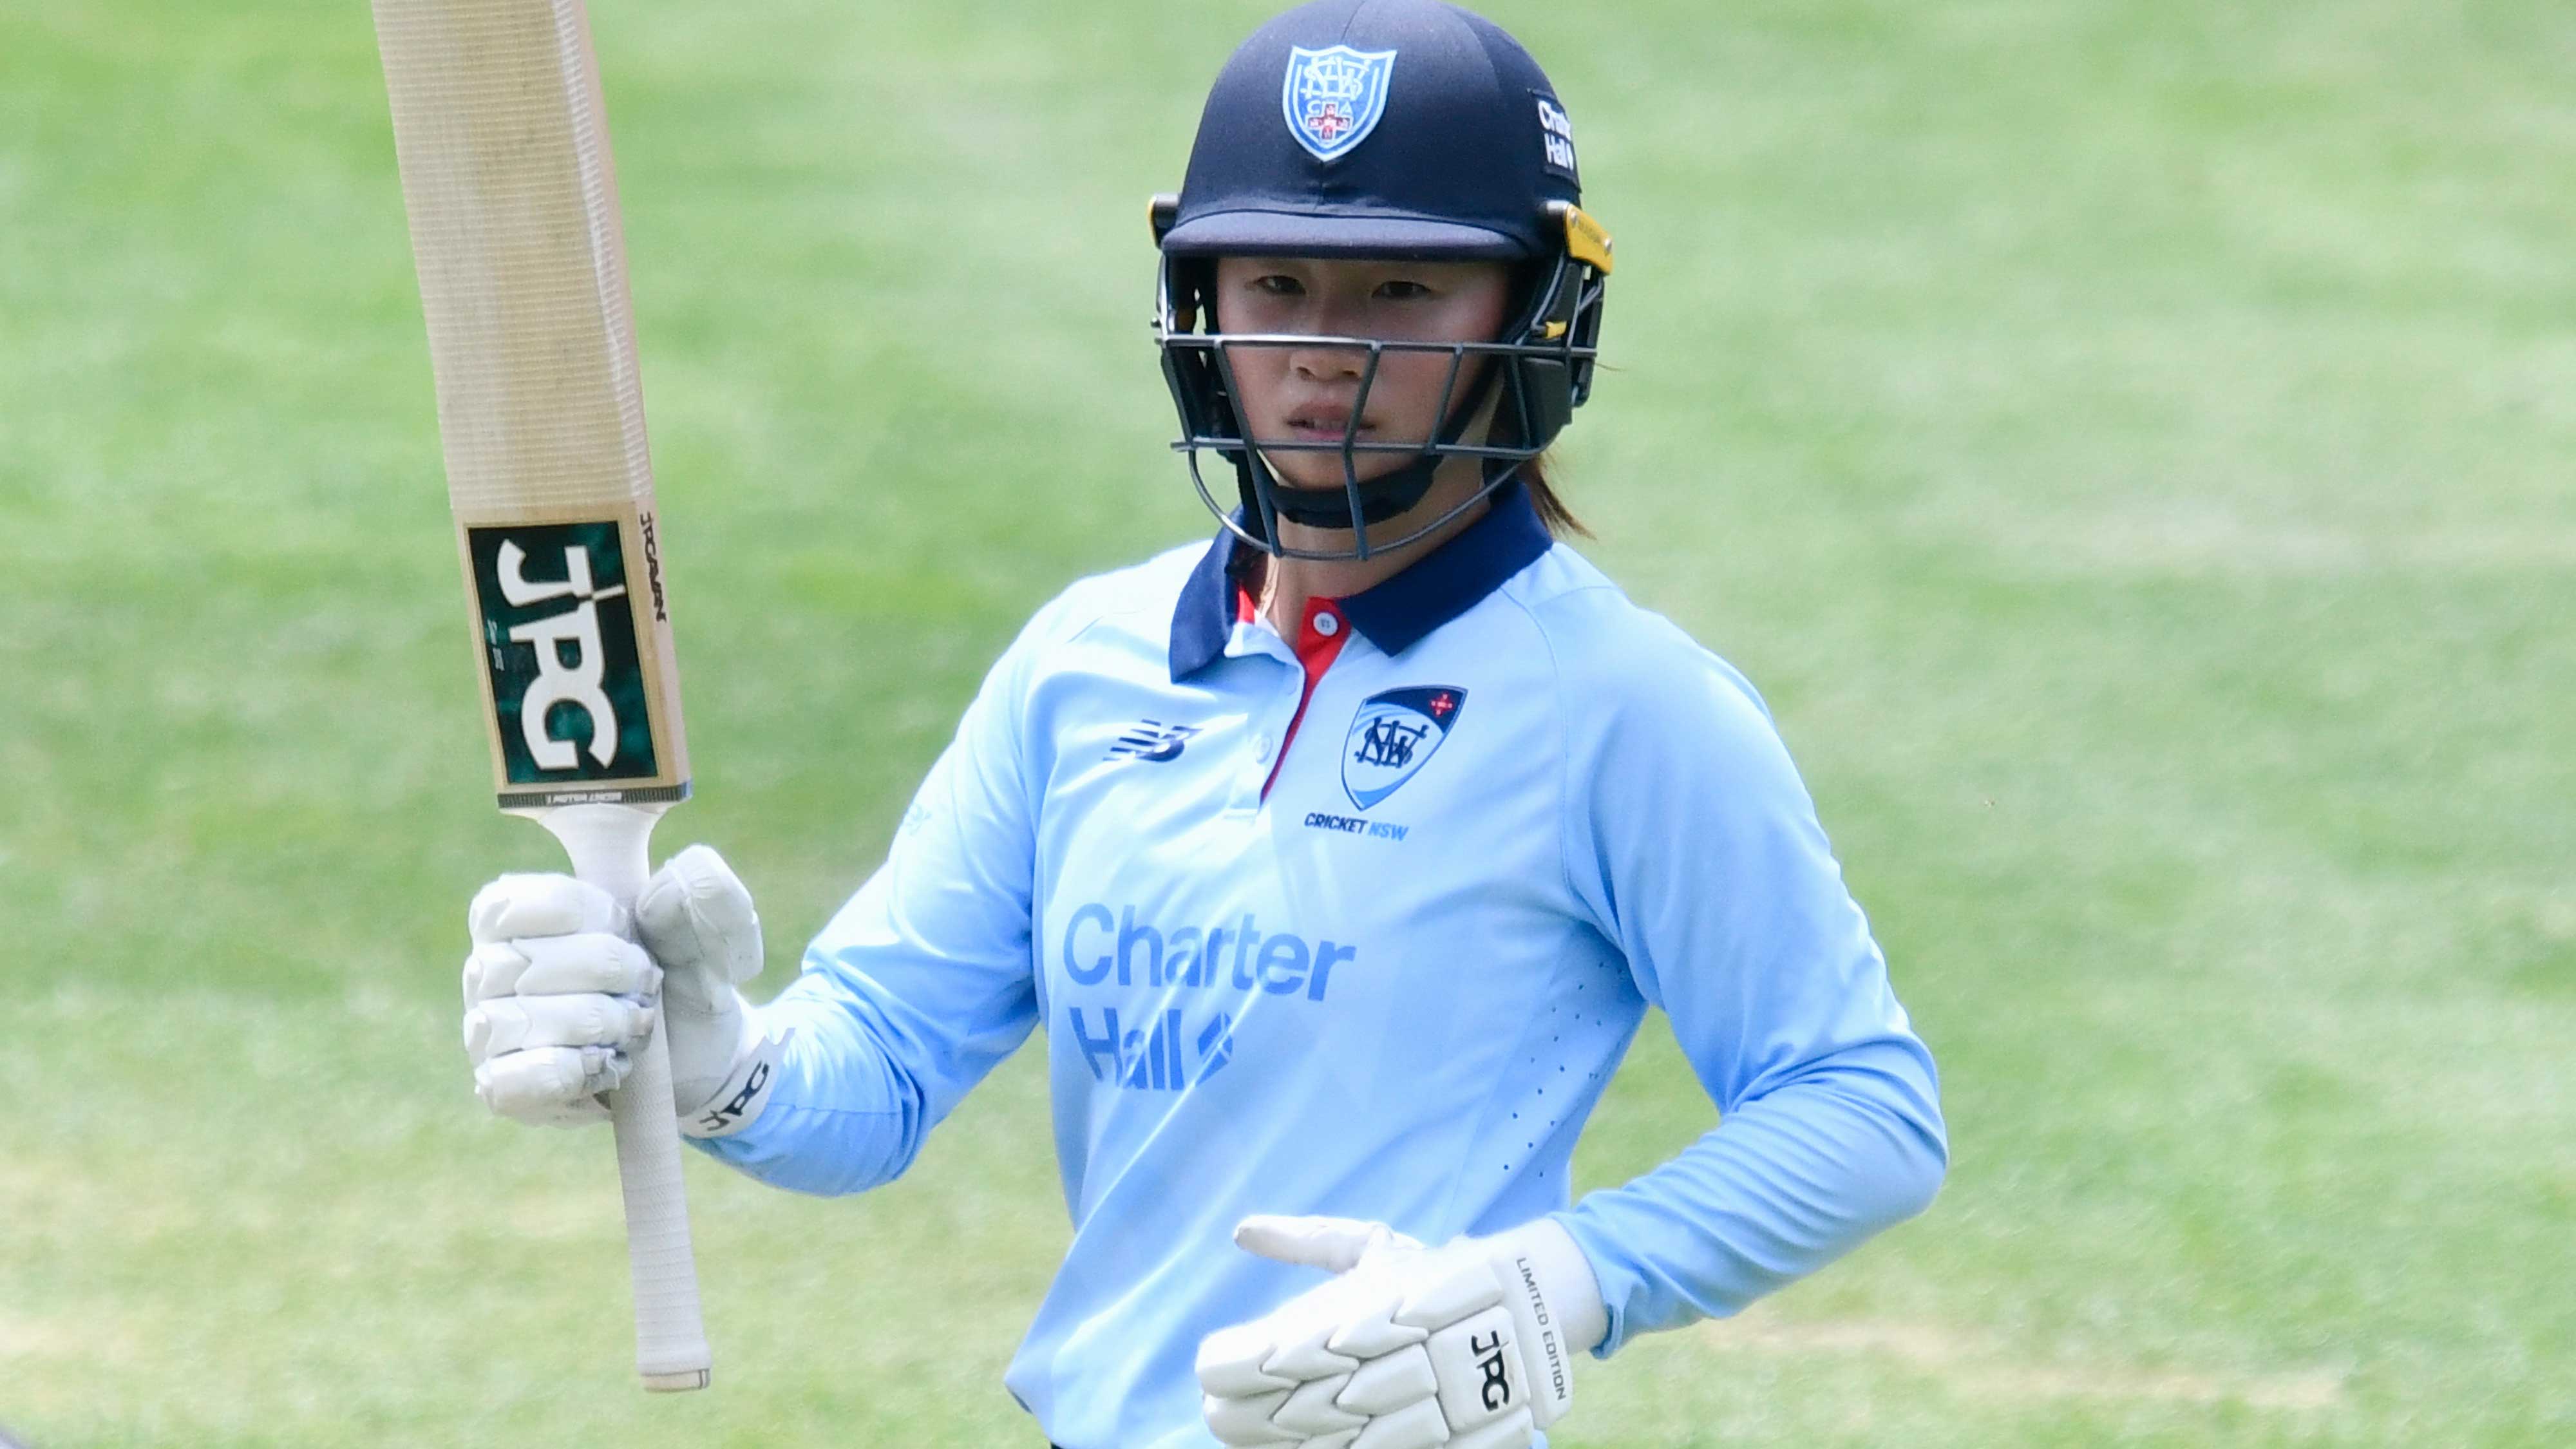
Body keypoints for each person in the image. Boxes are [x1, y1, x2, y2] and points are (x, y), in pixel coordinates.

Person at [457, 1, 1948, 1445]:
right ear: (1199, 301)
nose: (1322, 351)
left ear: (1535, 312)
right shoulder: (1081, 665)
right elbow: (881, 1075)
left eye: (1401, 291)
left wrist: (1550, 1285)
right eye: (1276, 284)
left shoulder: (1622, 709)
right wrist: (722, 1061)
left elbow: (1859, 1106)